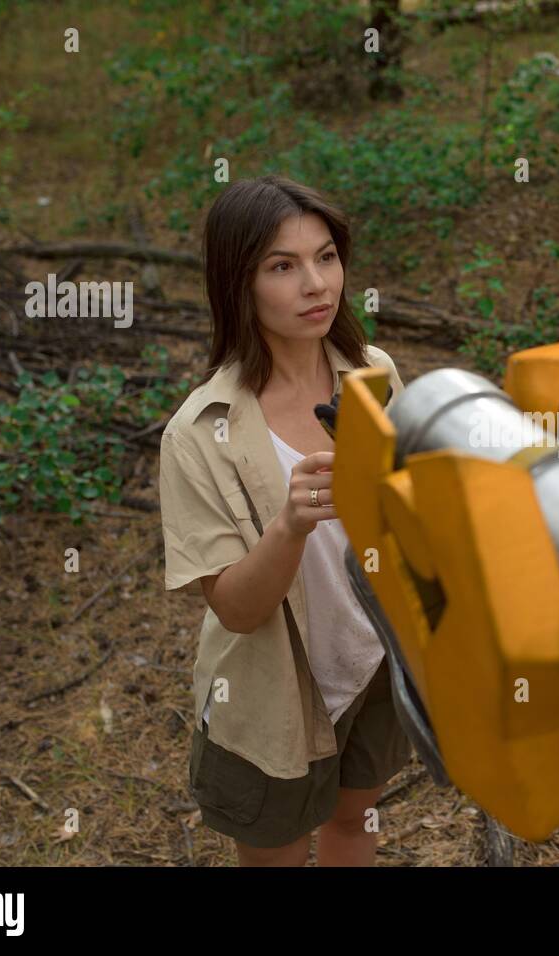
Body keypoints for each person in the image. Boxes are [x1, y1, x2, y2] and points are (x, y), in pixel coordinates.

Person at [158, 175, 411, 866]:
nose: (315, 283)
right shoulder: (200, 432)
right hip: (269, 694)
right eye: (283, 266)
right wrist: (288, 527)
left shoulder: (373, 374)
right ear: (238, 283)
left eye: (326, 257)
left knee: (355, 823)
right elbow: (236, 610)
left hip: (372, 660)